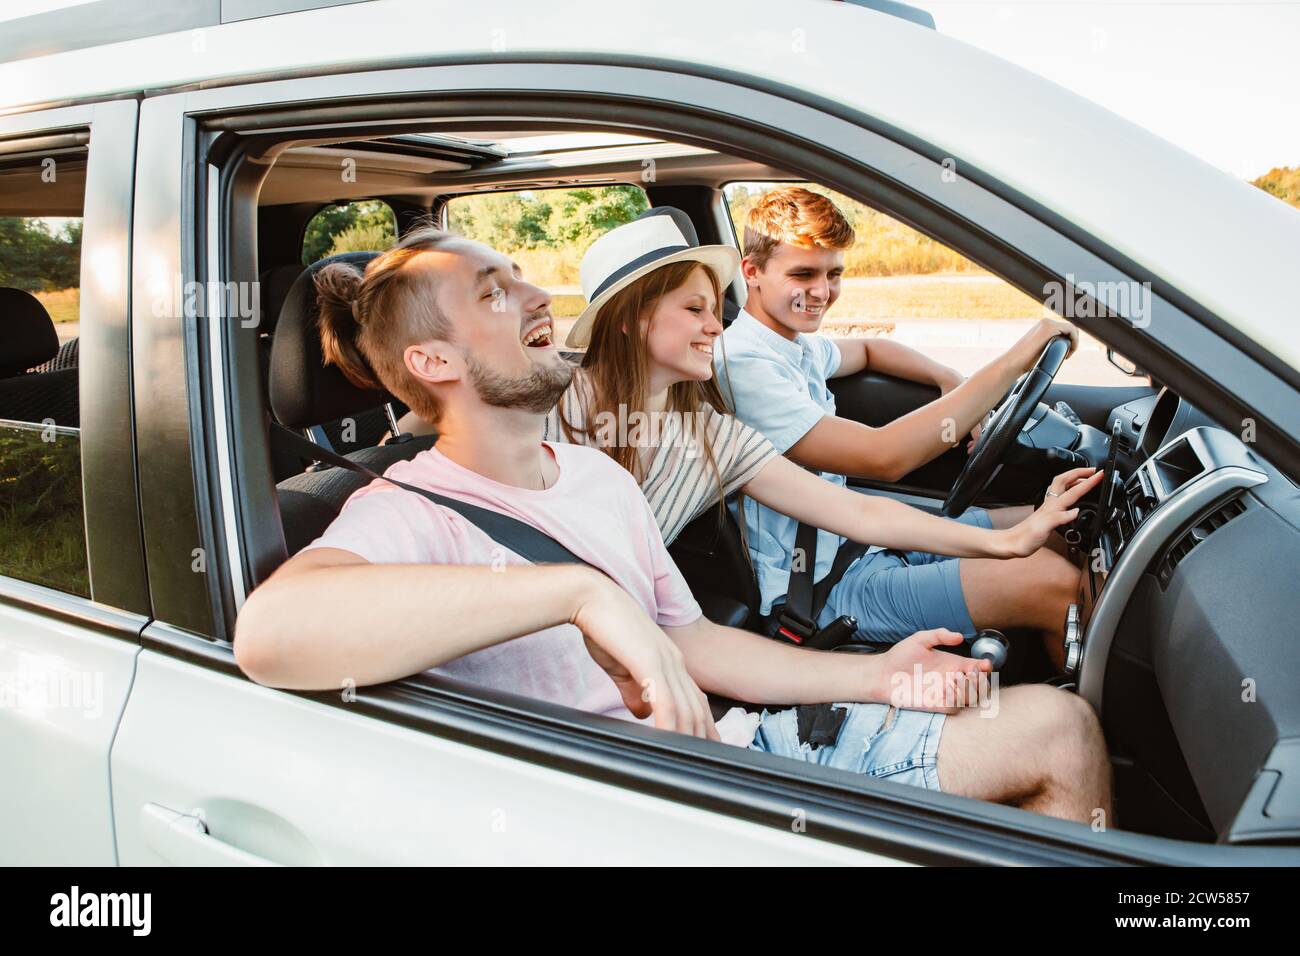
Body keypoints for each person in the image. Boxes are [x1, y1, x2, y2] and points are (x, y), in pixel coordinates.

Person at [235, 226, 1112, 821]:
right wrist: (579, 594)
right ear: (433, 360)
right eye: (499, 293)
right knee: (1053, 733)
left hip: (718, 749)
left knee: (1053, 727)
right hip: (639, 805)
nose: (542, 294)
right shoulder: (409, 510)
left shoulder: (589, 473)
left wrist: (879, 677)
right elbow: (270, 635)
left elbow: (693, 643)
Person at [714, 187, 1086, 662]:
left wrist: (946, 377)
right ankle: (1075, 714)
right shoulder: (744, 365)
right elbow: (882, 457)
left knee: (1065, 528)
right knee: (1055, 586)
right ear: (752, 272)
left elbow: (871, 350)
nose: (822, 292)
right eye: (802, 274)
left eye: (834, 274)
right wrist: (1015, 359)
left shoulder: (794, 345)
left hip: (859, 543)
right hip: (818, 588)